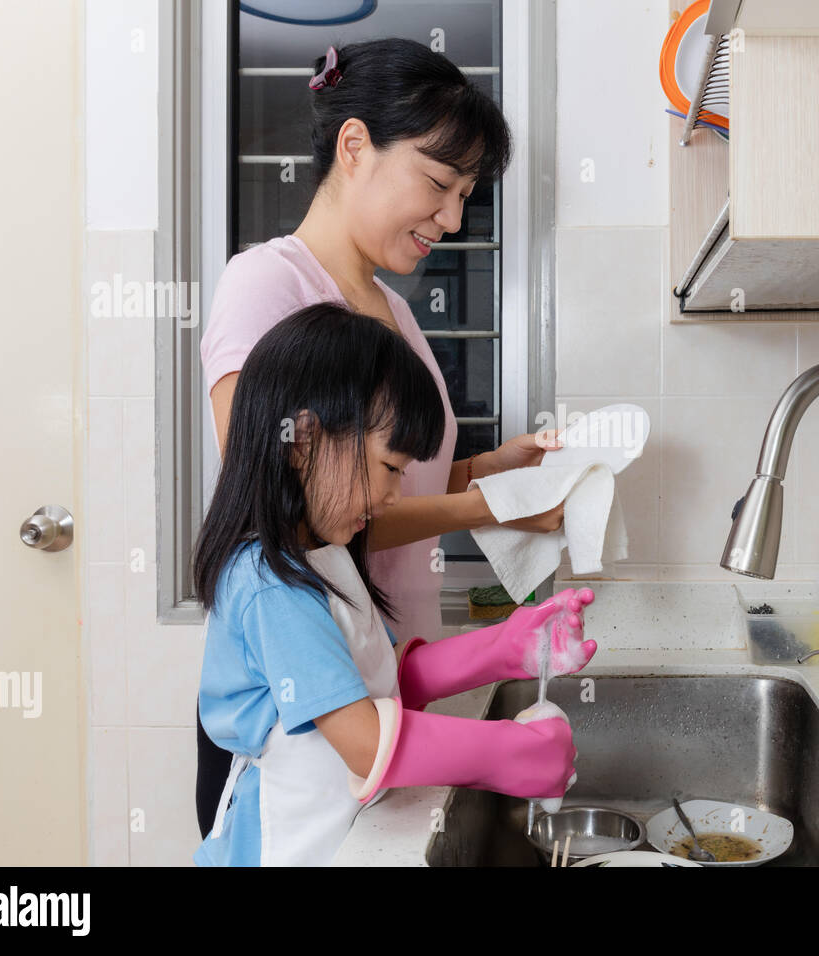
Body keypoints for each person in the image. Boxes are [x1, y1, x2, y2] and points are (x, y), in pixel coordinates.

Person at [196, 38, 564, 837]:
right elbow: (284, 504)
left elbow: (392, 474)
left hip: (378, 673)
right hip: (315, 716)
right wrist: (485, 507)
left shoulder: (393, 312)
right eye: (438, 183)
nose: (453, 217)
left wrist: (486, 471)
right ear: (355, 146)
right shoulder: (269, 283)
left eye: (467, 194)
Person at [193, 303, 595, 866]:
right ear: (304, 439)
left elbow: (382, 679)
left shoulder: (324, 556)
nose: (393, 496)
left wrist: (504, 647)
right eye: (389, 467)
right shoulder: (267, 584)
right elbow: (361, 738)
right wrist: (506, 753)